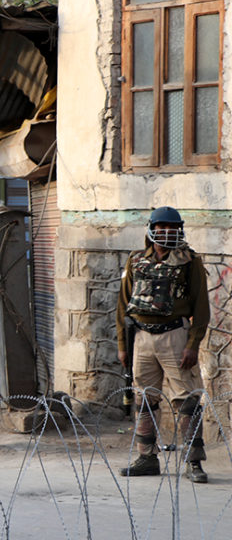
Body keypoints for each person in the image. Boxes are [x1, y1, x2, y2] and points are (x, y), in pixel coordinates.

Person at [116, 206, 210, 483]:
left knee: (187, 399)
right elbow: (123, 305)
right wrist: (123, 345)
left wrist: (193, 344)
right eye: (162, 227)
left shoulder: (190, 262)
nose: (167, 232)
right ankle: (146, 458)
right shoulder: (135, 260)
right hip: (142, 338)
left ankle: (193, 461)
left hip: (175, 336)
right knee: (145, 398)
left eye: (173, 227)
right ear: (152, 228)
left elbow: (201, 307)